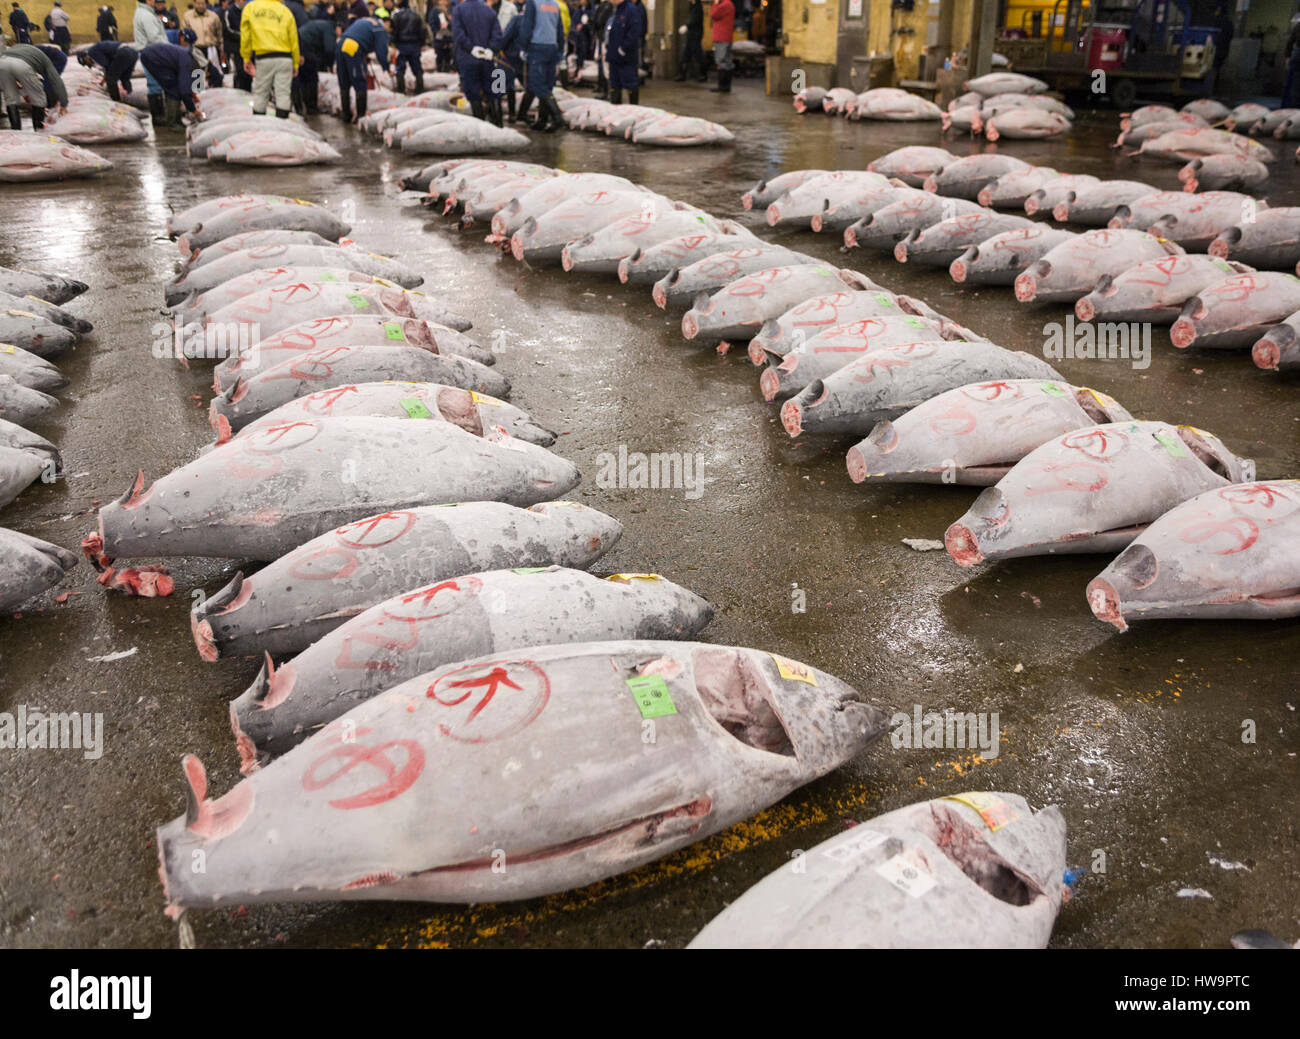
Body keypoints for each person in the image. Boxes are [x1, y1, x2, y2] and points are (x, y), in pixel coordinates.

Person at [240, 0, 297, 117]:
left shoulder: (250, 8)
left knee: (261, 93)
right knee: (283, 94)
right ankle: (282, 125)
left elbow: (245, 36)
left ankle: (260, 126)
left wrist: (246, 57)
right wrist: (295, 63)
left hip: (264, 57)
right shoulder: (285, 11)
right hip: (285, 58)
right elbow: (294, 40)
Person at [0, 36, 67, 129]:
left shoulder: (19, 48)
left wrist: (25, 94)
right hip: (21, 64)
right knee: (39, 98)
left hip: (2, 63)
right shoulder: (44, 59)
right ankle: (38, 130)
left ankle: (16, 131)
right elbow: (56, 81)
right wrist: (64, 104)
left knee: (11, 99)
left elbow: (17, 78)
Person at [453, 0, 501, 124]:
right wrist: (491, 49)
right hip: (487, 60)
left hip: (468, 59)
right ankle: (498, 125)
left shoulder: (458, 10)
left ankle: (480, 126)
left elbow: (458, 34)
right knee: (493, 91)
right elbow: (497, 35)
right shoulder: (489, 10)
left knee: (473, 93)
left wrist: (471, 48)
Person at [140, 29, 201, 125]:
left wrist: (192, 94)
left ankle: (175, 120)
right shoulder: (187, 64)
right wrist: (193, 110)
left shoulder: (188, 61)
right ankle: (173, 123)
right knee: (173, 89)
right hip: (152, 58)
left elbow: (188, 87)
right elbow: (184, 90)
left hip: (154, 56)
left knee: (174, 86)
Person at [336, 12, 386, 120]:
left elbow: (359, 35)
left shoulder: (364, 20)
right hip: (352, 47)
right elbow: (381, 51)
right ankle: (361, 117)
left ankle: (346, 115)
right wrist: (385, 67)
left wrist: (363, 54)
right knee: (359, 81)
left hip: (341, 43)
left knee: (344, 81)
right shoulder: (380, 28)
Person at [132, 0, 168, 123]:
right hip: (152, 52)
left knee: (154, 84)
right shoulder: (146, 15)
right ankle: (159, 116)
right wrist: (169, 48)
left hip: (149, 52)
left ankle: (159, 115)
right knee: (155, 85)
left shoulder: (142, 12)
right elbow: (154, 37)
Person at [297, 8, 333, 111]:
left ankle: (304, 104)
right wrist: (330, 64)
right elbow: (329, 48)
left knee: (304, 76)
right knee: (312, 77)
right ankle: (312, 107)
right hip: (305, 46)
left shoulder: (320, 24)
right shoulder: (329, 28)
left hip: (299, 43)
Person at [604, 0, 637, 104]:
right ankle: (616, 111)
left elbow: (634, 33)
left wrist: (623, 49)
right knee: (614, 84)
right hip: (613, 56)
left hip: (625, 57)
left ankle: (634, 110)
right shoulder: (614, 10)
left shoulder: (631, 10)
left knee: (630, 84)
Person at [183, 0, 223, 84]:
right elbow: (184, 34)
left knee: (215, 75)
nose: (200, 6)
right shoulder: (187, 16)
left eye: (203, 3)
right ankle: (198, 93)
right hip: (195, 50)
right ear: (194, 3)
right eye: (198, 3)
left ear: (206, 4)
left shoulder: (213, 16)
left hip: (211, 49)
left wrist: (221, 46)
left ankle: (216, 89)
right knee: (197, 77)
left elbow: (219, 32)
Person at [389, 0, 425, 93]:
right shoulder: (416, 15)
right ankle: (419, 89)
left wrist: (392, 42)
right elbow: (421, 31)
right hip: (414, 45)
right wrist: (422, 43)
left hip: (401, 45)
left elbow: (394, 31)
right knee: (417, 67)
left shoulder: (396, 16)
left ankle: (401, 90)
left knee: (399, 68)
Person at [675, 0, 704, 81]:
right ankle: (682, 74)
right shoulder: (692, 6)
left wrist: (687, 26)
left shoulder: (698, 7)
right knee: (686, 55)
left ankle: (701, 75)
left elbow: (695, 19)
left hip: (695, 34)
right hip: (691, 34)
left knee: (697, 54)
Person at [709, 0, 732, 92]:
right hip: (725, 36)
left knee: (721, 60)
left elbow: (713, 14)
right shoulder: (729, 4)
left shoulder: (725, 4)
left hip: (721, 37)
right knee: (726, 61)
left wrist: (715, 3)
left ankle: (722, 86)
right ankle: (725, 86)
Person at [429, 0, 452, 71]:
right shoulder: (434, 12)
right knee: (440, 58)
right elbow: (433, 26)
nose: (445, 2)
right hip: (439, 40)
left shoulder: (449, 10)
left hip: (448, 39)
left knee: (448, 59)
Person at [1284, 14, 1300, 108]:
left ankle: (1293, 108)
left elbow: (1290, 42)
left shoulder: (1298, 25)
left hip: (1297, 55)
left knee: (1295, 84)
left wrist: (1287, 57)